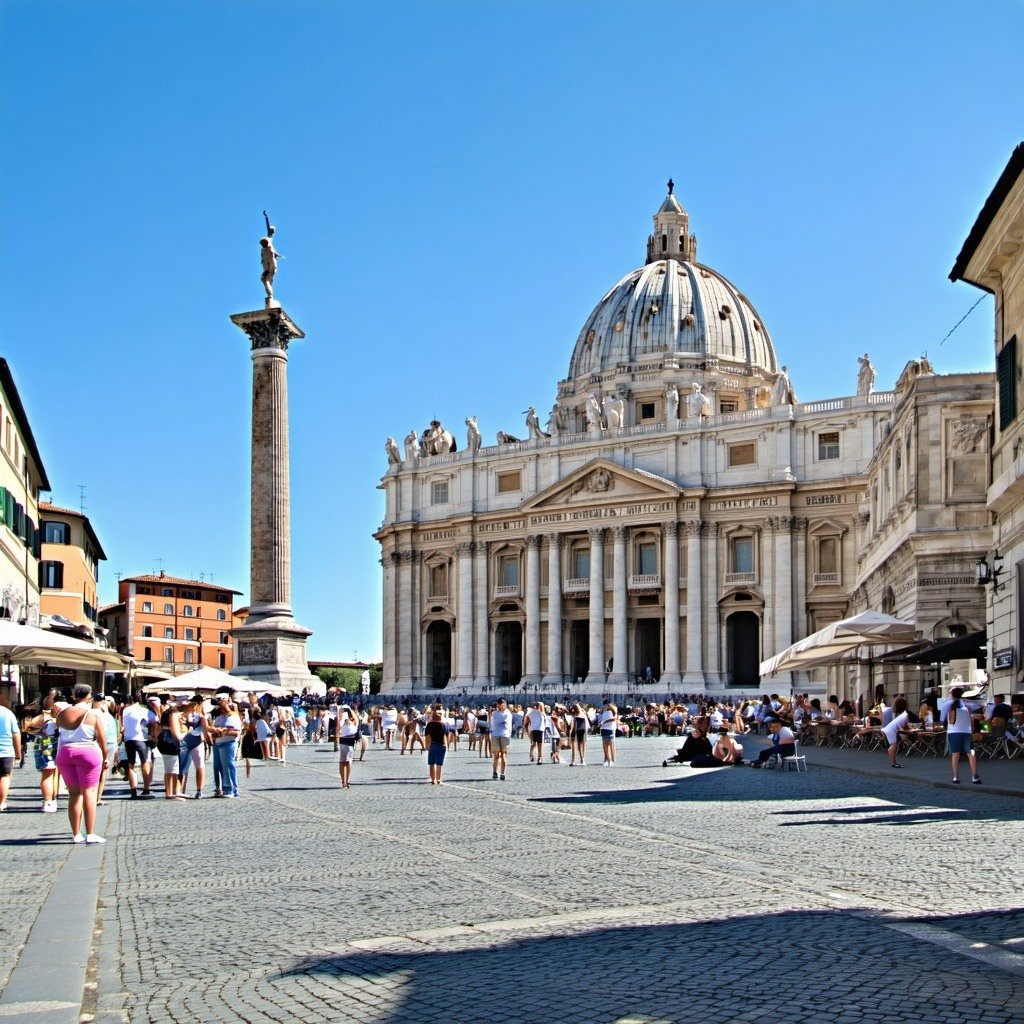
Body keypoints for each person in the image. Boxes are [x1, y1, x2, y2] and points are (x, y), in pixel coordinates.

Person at [54, 683, 108, 843]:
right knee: (89, 793)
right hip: (88, 752)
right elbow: (102, 740)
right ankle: (90, 833)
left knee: (74, 794)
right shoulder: (92, 715)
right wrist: (105, 757)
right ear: (89, 696)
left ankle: (76, 834)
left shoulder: (62, 714)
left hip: (65, 753)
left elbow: (57, 731)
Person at [941, 686, 981, 784]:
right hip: (966, 732)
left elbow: (943, 719)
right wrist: (972, 729)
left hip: (953, 733)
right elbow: (971, 718)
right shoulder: (967, 705)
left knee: (955, 754)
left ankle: (955, 776)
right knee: (971, 752)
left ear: (952, 695)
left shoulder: (948, 704)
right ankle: (974, 775)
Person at [121, 695, 158, 799]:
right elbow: (155, 721)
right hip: (142, 740)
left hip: (129, 740)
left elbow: (123, 724)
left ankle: (133, 791)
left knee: (131, 765)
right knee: (145, 763)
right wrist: (153, 735)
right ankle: (146, 789)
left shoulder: (125, 710)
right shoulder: (145, 711)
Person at [25, 699, 58, 812]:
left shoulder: (38, 718)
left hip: (42, 748)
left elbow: (28, 729)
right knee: (49, 775)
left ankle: (49, 800)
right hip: (49, 749)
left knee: (48, 774)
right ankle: (48, 801)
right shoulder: (51, 719)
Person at [211, 695, 241, 798]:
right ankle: (220, 788)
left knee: (228, 766)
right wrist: (217, 733)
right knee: (217, 767)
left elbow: (237, 733)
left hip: (229, 743)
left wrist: (225, 731)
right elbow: (214, 733)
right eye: (221, 704)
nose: (222, 707)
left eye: (224, 704)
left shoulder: (234, 717)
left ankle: (231, 789)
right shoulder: (218, 718)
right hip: (217, 744)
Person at [178, 696, 209, 797]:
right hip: (187, 740)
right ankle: (182, 790)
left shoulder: (202, 714)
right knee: (184, 766)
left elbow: (206, 727)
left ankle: (199, 790)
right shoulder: (185, 713)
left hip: (196, 740)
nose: (196, 705)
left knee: (199, 765)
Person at [158, 700, 186, 800]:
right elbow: (176, 734)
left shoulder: (166, 714)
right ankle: (170, 793)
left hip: (164, 741)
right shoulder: (173, 714)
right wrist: (187, 733)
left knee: (170, 768)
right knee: (171, 769)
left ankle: (171, 793)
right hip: (170, 742)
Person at [92, 696, 118, 806]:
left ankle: (94, 797)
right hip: (109, 742)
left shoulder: (94, 713)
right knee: (103, 770)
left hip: (103, 742)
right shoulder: (107, 715)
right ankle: (97, 798)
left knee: (97, 770)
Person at [0, 688, 22, 813]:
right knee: (4, 776)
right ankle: (1, 803)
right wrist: (18, 751)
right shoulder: (8, 714)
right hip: (6, 751)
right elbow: (16, 734)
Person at [881, 695, 910, 768]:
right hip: (891, 730)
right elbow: (894, 705)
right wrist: (898, 698)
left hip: (890, 730)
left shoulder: (892, 711)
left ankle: (893, 759)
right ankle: (893, 762)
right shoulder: (894, 711)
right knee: (894, 745)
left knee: (894, 744)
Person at [489, 698, 512, 781]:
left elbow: (508, 724)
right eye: (500, 704)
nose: (501, 706)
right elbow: (499, 720)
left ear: (505, 704)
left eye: (503, 704)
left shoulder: (507, 713)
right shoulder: (495, 713)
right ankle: (495, 772)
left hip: (505, 735)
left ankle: (502, 773)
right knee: (496, 754)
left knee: (503, 755)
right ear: (498, 705)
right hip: (495, 734)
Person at [337, 705, 359, 789]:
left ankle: (346, 781)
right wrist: (341, 714)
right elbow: (339, 725)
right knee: (343, 762)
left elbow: (355, 719)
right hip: (343, 742)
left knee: (348, 762)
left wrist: (349, 709)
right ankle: (343, 781)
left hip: (350, 742)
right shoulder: (342, 721)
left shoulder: (354, 721)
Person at [425, 709, 447, 785]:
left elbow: (427, 736)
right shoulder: (443, 724)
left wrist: (427, 745)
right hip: (441, 745)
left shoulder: (429, 724)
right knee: (439, 764)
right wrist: (445, 746)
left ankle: (433, 779)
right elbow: (445, 735)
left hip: (433, 744)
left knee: (431, 763)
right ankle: (438, 779)